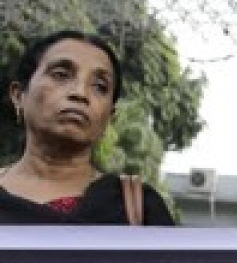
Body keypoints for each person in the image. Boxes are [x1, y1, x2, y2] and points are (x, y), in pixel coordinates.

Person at [1, 30, 175, 225]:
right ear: (18, 95)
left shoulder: (139, 206)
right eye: (61, 75)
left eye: (100, 86)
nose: (80, 93)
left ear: (110, 116)